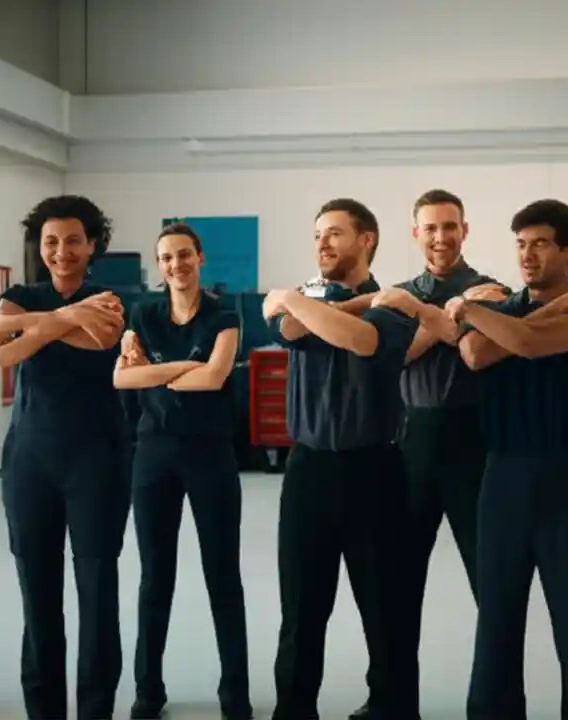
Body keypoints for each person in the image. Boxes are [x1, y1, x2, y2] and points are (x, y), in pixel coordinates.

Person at [450, 199, 568, 719]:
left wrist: (463, 308)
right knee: (496, 619)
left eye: (540, 243)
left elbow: (522, 343)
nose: (527, 255)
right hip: (502, 477)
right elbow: (476, 355)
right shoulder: (501, 309)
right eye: (520, 244)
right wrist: (496, 313)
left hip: (567, 478)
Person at [346, 189, 507, 720]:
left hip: (472, 445)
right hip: (410, 444)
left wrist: (429, 323)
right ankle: (391, 702)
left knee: (491, 585)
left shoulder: (494, 291)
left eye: (450, 226)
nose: (441, 237)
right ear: (415, 234)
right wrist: (449, 318)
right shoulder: (394, 294)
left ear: (465, 230)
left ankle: (496, 703)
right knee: (395, 584)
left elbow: (475, 356)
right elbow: (400, 354)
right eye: (431, 228)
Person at [261, 198, 421, 720]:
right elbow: (286, 329)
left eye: (334, 233)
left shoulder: (396, 305)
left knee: (385, 611)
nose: (322, 244)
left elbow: (360, 338)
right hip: (309, 471)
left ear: (366, 239)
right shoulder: (318, 301)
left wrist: (290, 299)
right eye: (317, 235)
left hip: (374, 471)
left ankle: (393, 709)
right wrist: (299, 305)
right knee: (302, 612)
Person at [0, 195, 130, 720]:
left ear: (92, 245)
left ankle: (95, 712)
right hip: (30, 463)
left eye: (73, 241)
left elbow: (98, 340)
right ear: (40, 248)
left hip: (97, 461)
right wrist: (64, 316)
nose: (61, 252)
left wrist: (29, 331)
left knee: (97, 596)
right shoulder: (22, 293)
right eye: (51, 242)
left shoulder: (109, 299)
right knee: (38, 599)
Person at [114, 223, 253, 720]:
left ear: (200, 258)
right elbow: (121, 378)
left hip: (210, 455)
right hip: (154, 456)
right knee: (155, 578)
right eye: (166, 258)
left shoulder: (225, 316)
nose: (176, 265)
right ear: (160, 265)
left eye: (184, 256)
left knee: (222, 575)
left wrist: (157, 370)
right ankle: (147, 690)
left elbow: (214, 377)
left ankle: (235, 692)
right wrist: (180, 372)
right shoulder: (143, 314)